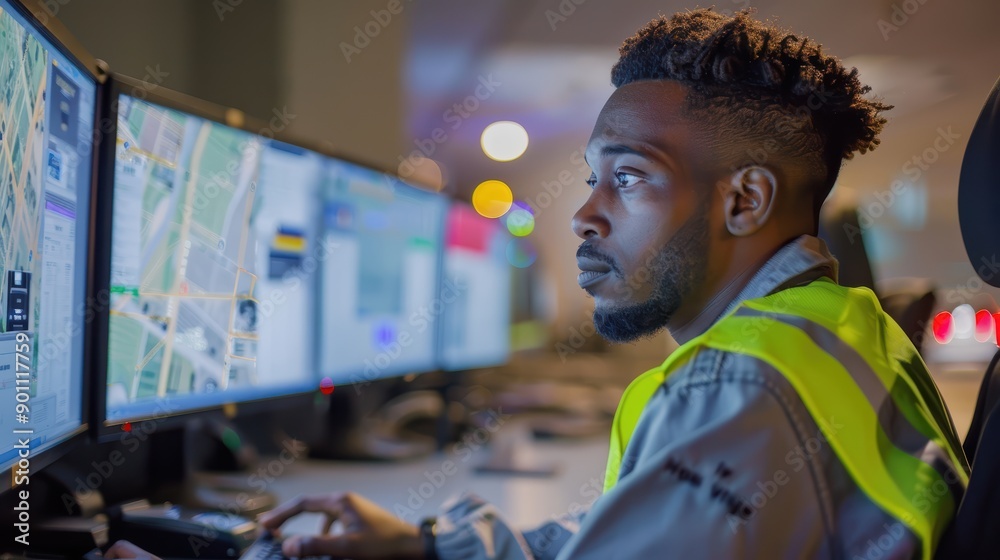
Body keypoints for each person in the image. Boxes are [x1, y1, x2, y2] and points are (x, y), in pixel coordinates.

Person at [108, 7, 969, 560]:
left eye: (627, 177)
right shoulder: (845, 326)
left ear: (745, 200)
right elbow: (634, 537)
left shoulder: (739, 383)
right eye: (592, 176)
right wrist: (432, 548)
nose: (584, 215)